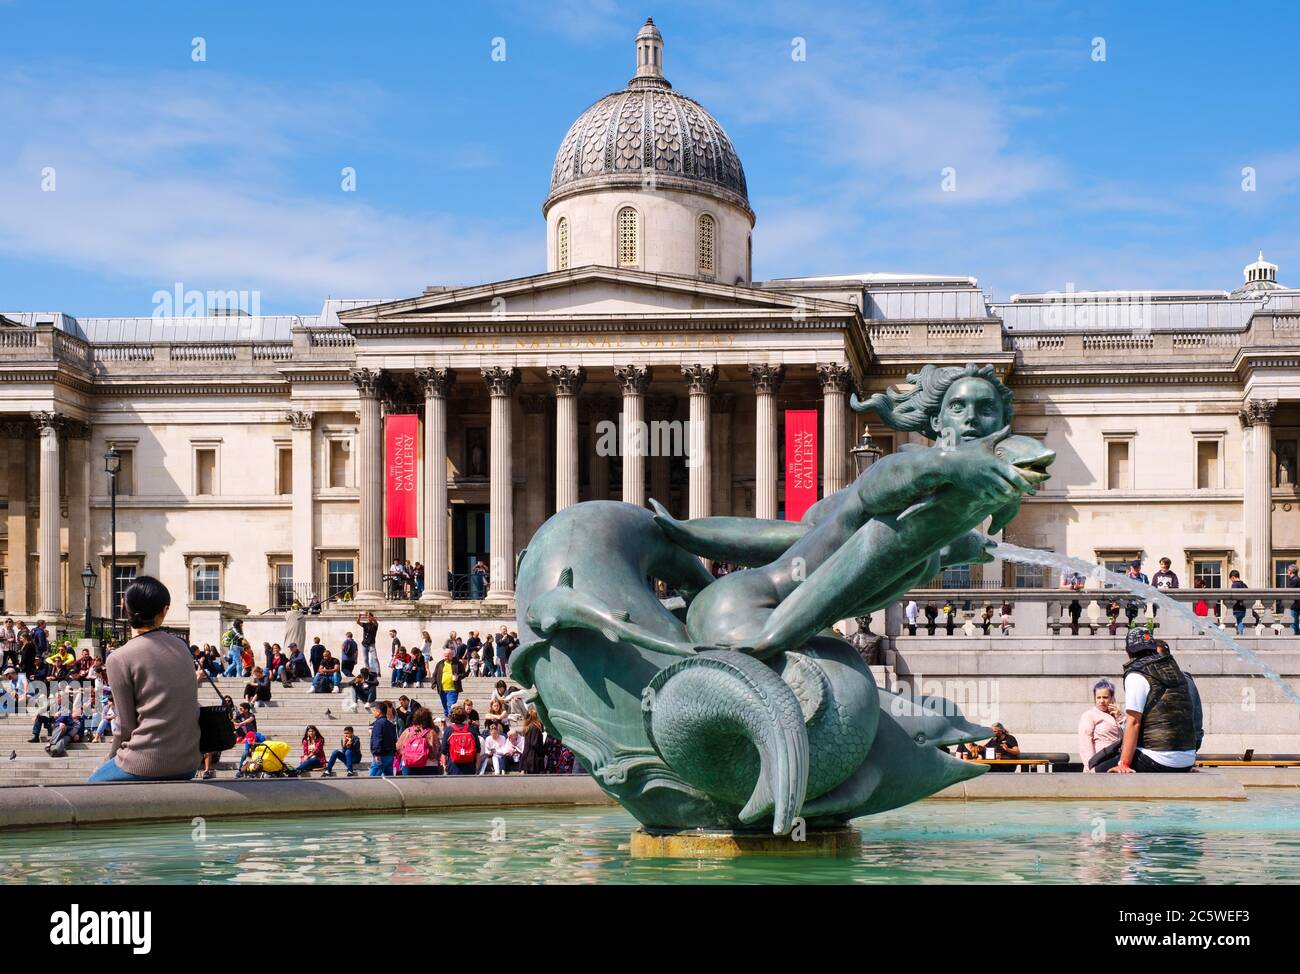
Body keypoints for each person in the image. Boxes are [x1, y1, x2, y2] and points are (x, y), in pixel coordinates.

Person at [88, 576, 201, 783]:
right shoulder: (182, 647)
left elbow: (124, 727)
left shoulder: (119, 657)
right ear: (164, 611)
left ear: (123, 606)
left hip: (146, 762)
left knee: (91, 787)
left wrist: (110, 759)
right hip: (189, 763)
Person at [1097, 628, 1201, 773]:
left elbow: (1134, 722)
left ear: (1129, 652)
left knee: (1098, 770)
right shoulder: (1178, 673)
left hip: (1158, 758)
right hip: (1188, 758)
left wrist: (1124, 764)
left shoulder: (1137, 674)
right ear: (1153, 648)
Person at [1078, 679, 1124, 772]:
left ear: (1112, 698)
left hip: (1116, 763)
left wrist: (1119, 717)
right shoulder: (1090, 715)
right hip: (1098, 763)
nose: (1101, 701)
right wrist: (1089, 766)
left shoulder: (1119, 715)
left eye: (1105, 697)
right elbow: (1085, 743)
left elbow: (1130, 734)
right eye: (1098, 697)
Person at [397, 707, 440, 776]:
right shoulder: (431, 732)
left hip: (409, 764)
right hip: (429, 765)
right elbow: (436, 750)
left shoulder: (408, 731)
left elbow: (399, 748)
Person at [442, 704, 479, 775]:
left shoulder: (449, 730)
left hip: (453, 767)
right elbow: (478, 749)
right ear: (465, 716)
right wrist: (477, 766)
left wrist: (444, 765)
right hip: (469, 767)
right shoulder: (471, 729)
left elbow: (443, 750)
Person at [432, 646, 464, 716]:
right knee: (445, 708)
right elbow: (434, 674)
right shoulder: (440, 664)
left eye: (448, 656)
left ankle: (452, 722)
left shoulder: (458, 663)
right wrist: (434, 684)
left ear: (452, 655)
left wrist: (458, 676)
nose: (446, 658)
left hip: (453, 689)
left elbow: (464, 673)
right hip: (442, 689)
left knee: (451, 707)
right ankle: (448, 724)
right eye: (445, 656)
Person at [368, 701, 397, 776]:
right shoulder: (390, 724)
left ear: (379, 711)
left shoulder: (378, 724)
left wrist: (377, 754)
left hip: (381, 756)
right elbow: (394, 739)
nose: (373, 712)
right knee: (389, 780)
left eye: (374, 710)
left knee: (373, 781)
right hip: (390, 756)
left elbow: (377, 739)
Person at [521, 707, 546, 774]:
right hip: (534, 758)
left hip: (528, 756)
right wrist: (542, 750)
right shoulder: (535, 727)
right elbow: (534, 743)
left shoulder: (528, 727)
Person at [357, 611, 381, 676]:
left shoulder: (375, 625)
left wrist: (369, 615)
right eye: (367, 617)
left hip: (371, 644)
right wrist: (359, 616)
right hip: (364, 644)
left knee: (375, 658)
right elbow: (358, 622)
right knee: (365, 659)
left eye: (368, 617)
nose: (367, 618)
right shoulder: (365, 625)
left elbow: (375, 621)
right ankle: (368, 672)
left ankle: (378, 672)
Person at [1229, 570, 1250, 635]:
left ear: (1233, 577)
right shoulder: (1244, 585)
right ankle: (1242, 634)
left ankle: (1240, 635)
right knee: (1242, 622)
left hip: (1237, 608)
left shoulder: (1234, 584)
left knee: (1239, 621)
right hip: (1244, 608)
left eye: (1231, 579)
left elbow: (1234, 596)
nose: (1231, 581)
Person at [1287, 563, 1300, 635]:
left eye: (1288, 570)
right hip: (1296, 605)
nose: (1287, 572)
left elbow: (1289, 594)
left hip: (1294, 606)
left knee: (1293, 626)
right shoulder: (1297, 579)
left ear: (1291, 571)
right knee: (1296, 625)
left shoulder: (1294, 580)